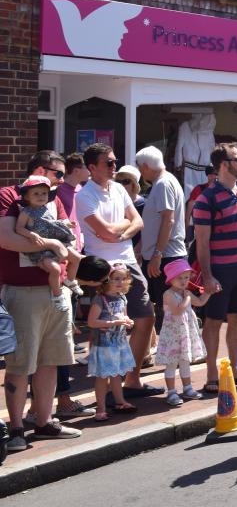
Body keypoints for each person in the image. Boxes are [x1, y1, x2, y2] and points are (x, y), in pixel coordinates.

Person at [0, 151, 89, 448]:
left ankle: (43, 421)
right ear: (40, 169)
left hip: (56, 290)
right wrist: (51, 243)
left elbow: (69, 239)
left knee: (51, 361)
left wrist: (61, 247)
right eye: (59, 174)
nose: (62, 181)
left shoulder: (53, 199)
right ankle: (14, 430)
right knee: (21, 363)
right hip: (22, 292)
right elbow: (6, 239)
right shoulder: (8, 197)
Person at [75, 145, 159, 399]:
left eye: (114, 162)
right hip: (103, 267)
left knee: (146, 317)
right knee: (111, 327)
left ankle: (131, 381)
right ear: (92, 168)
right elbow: (106, 232)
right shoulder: (84, 196)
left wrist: (119, 230)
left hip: (128, 262)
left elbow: (138, 222)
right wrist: (122, 228)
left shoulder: (120, 189)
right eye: (108, 163)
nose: (114, 167)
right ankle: (110, 389)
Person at [192, 143, 237, 393]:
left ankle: (236, 368)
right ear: (224, 164)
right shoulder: (206, 199)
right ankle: (211, 375)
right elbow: (202, 241)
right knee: (212, 321)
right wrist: (207, 276)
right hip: (219, 269)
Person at [135, 146, 187, 335]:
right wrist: (143, 247)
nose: (141, 173)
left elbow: (168, 219)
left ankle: (175, 351)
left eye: (141, 168)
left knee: (169, 309)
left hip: (166, 256)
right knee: (168, 307)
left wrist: (157, 254)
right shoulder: (165, 181)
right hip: (165, 254)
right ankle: (173, 350)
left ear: (147, 166)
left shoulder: (163, 184)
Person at [12, 176, 81, 308]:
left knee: (77, 257)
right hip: (40, 248)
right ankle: (57, 295)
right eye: (36, 193)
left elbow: (53, 224)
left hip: (56, 241)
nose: (41, 196)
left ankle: (70, 281)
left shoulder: (45, 209)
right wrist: (30, 234)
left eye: (44, 193)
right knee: (55, 269)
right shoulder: (27, 212)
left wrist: (66, 223)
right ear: (27, 197)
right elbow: (19, 228)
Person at [87, 263, 138, 422]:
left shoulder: (122, 297)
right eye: (116, 278)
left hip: (118, 342)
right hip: (103, 344)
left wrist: (128, 321)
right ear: (106, 280)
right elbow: (92, 322)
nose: (120, 282)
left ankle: (120, 401)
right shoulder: (100, 299)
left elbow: (124, 316)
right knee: (103, 377)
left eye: (124, 279)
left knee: (116, 374)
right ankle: (101, 408)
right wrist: (112, 323)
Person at [157, 258, 209, 406]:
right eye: (179, 278)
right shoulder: (168, 294)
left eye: (186, 277)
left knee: (185, 361)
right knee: (172, 364)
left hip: (185, 333)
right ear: (171, 279)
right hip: (173, 335)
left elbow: (199, 302)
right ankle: (171, 392)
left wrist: (209, 292)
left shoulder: (185, 292)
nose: (184, 281)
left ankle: (188, 388)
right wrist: (186, 298)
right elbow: (178, 310)